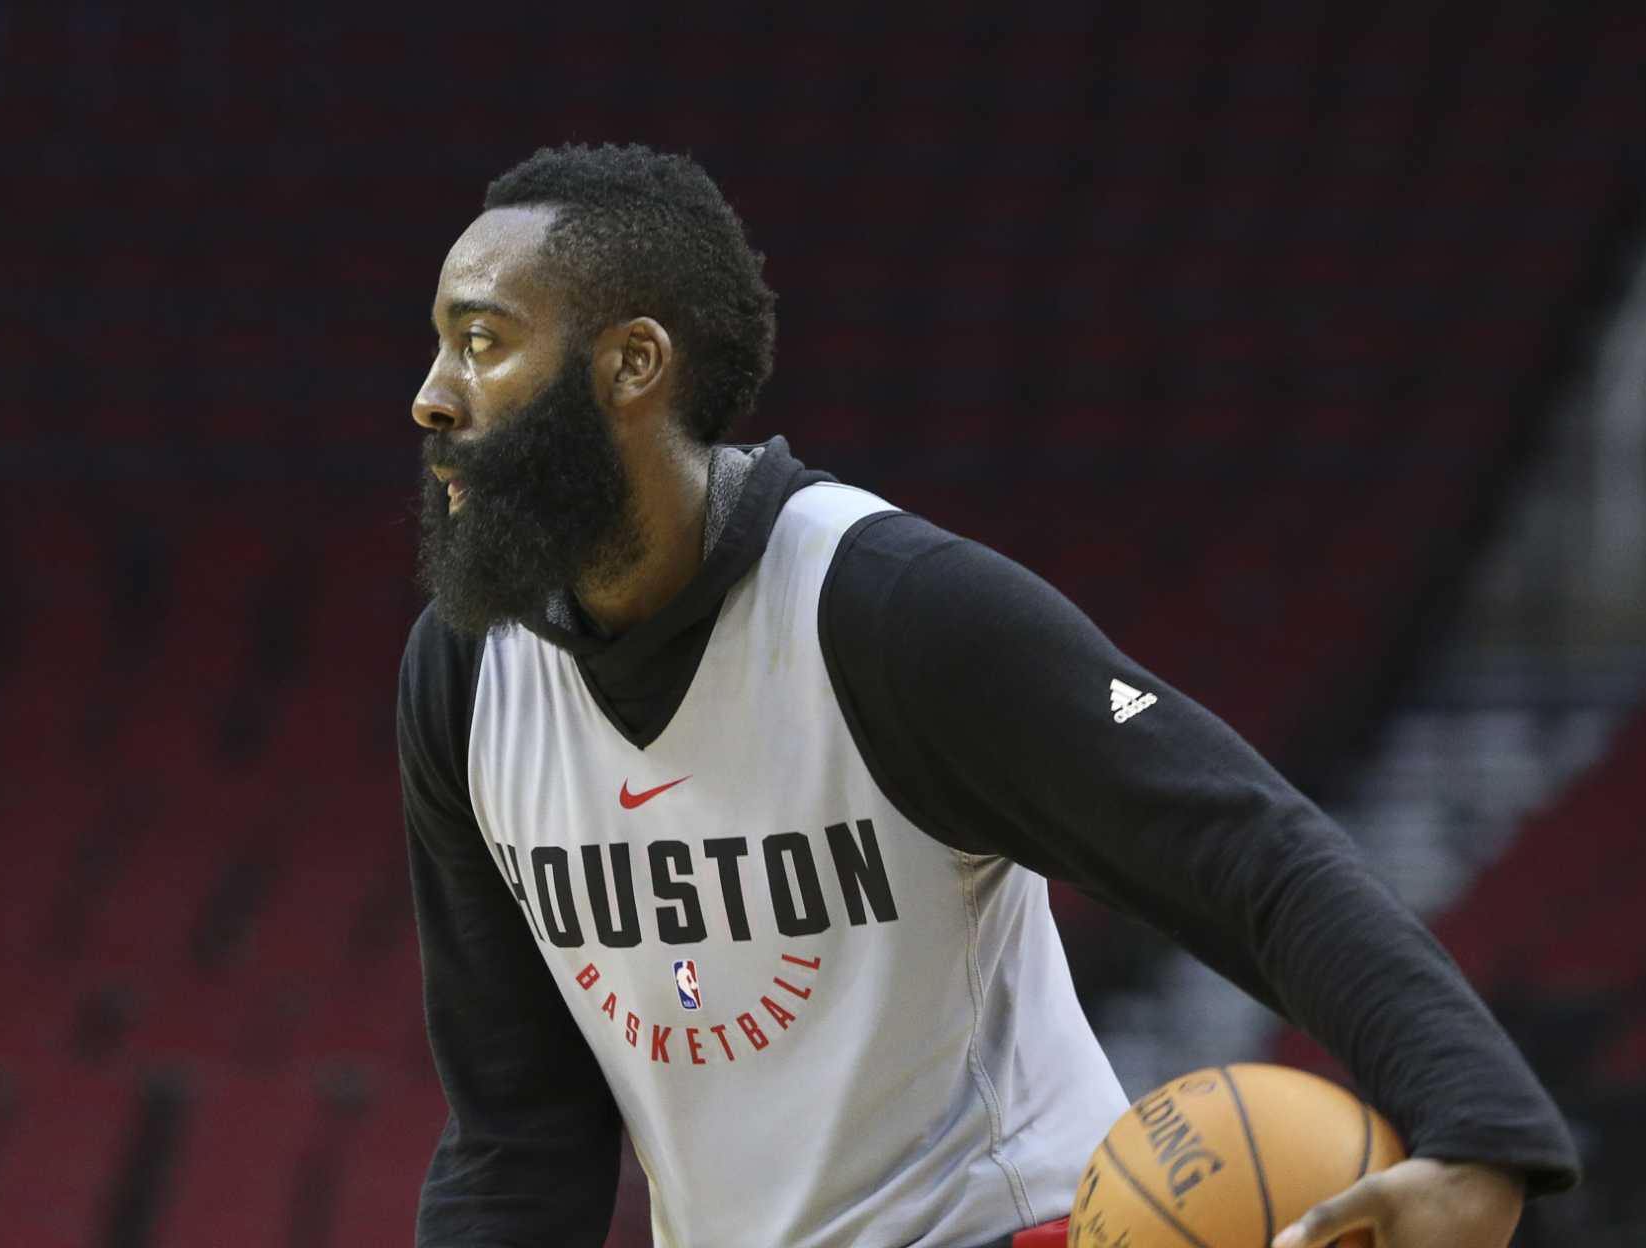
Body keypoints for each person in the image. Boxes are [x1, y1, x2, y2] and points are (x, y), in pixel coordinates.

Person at [398, 143, 1577, 1248]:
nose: (432, 397)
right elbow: (520, 1131)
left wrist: (1475, 1129)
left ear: (630, 366)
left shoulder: (887, 611)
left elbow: (1241, 847)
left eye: (482, 342)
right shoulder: (466, 676)